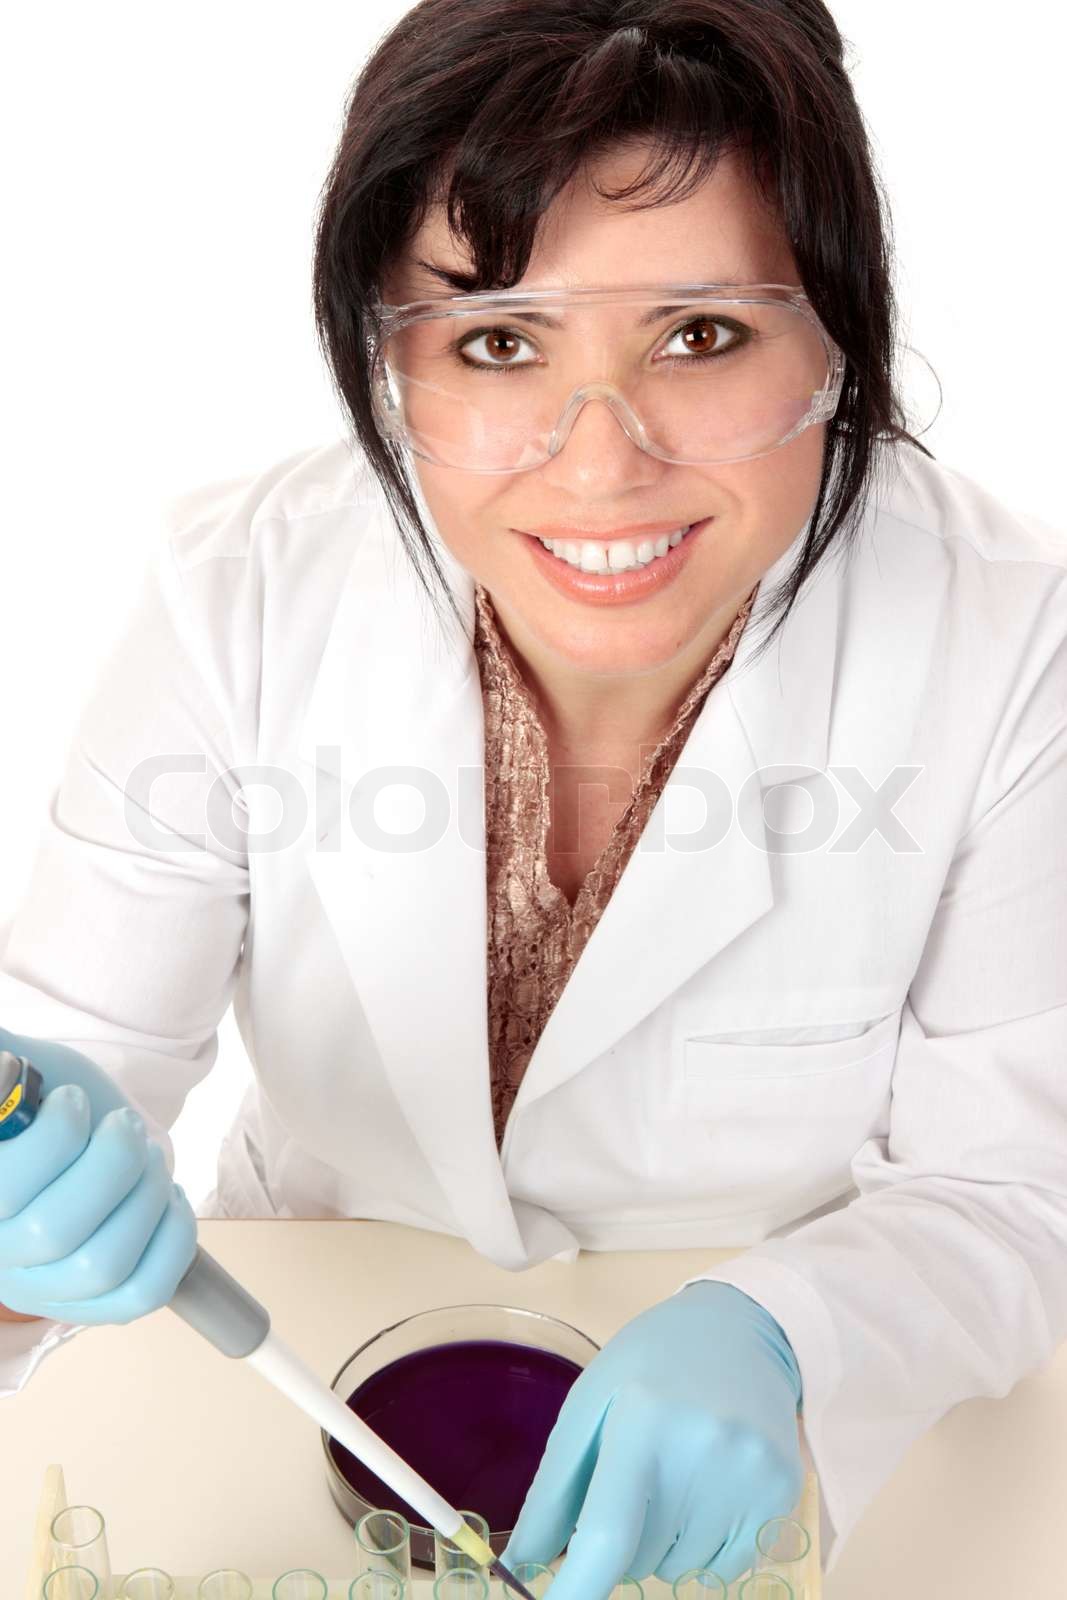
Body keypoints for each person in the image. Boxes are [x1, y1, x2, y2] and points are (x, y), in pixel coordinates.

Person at [1, 0, 1065, 1589]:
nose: (599, 464)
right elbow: (64, 1082)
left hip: (787, 1427)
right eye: (497, 342)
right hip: (306, 1358)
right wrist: (22, 1234)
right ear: (388, 360)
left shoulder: (1004, 638)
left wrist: (787, 1337)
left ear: (838, 340)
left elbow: (1013, 1185)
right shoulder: (240, 593)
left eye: (700, 337)